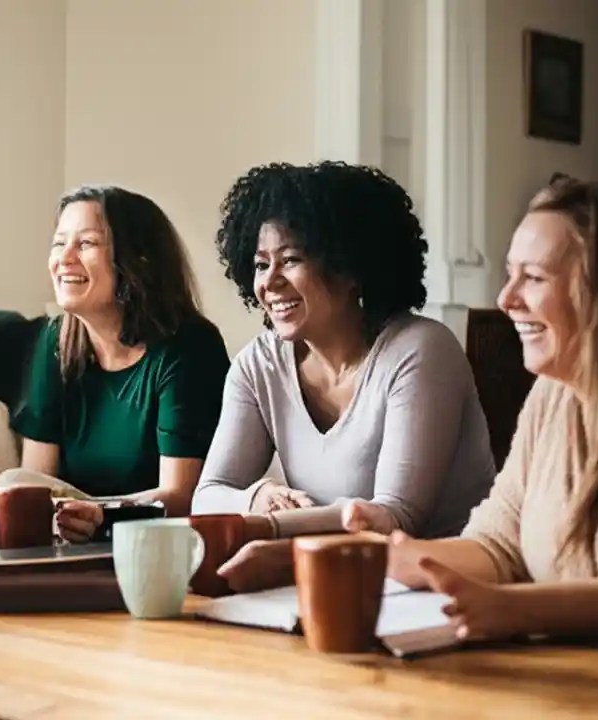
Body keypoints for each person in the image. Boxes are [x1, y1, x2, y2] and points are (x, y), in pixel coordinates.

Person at [191, 162, 495, 591]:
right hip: (331, 579)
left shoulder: (421, 351)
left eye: (291, 259)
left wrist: (273, 527)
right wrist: (254, 498)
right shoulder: (257, 366)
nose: (270, 283)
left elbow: (396, 516)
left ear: (350, 269)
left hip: (441, 589)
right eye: (261, 264)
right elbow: (207, 496)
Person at [387, 177, 598, 641]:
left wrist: (517, 610)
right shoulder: (552, 394)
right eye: (510, 273)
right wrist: (392, 558)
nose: (506, 299)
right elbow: (499, 544)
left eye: (535, 277)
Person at [0, 185, 230, 555]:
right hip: (69, 543)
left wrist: (100, 517)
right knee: (15, 486)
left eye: (86, 244)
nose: (65, 259)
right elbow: (35, 483)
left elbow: (182, 498)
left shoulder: (188, 347)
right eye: (59, 243)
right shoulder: (55, 341)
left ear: (138, 260)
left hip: (156, 545)